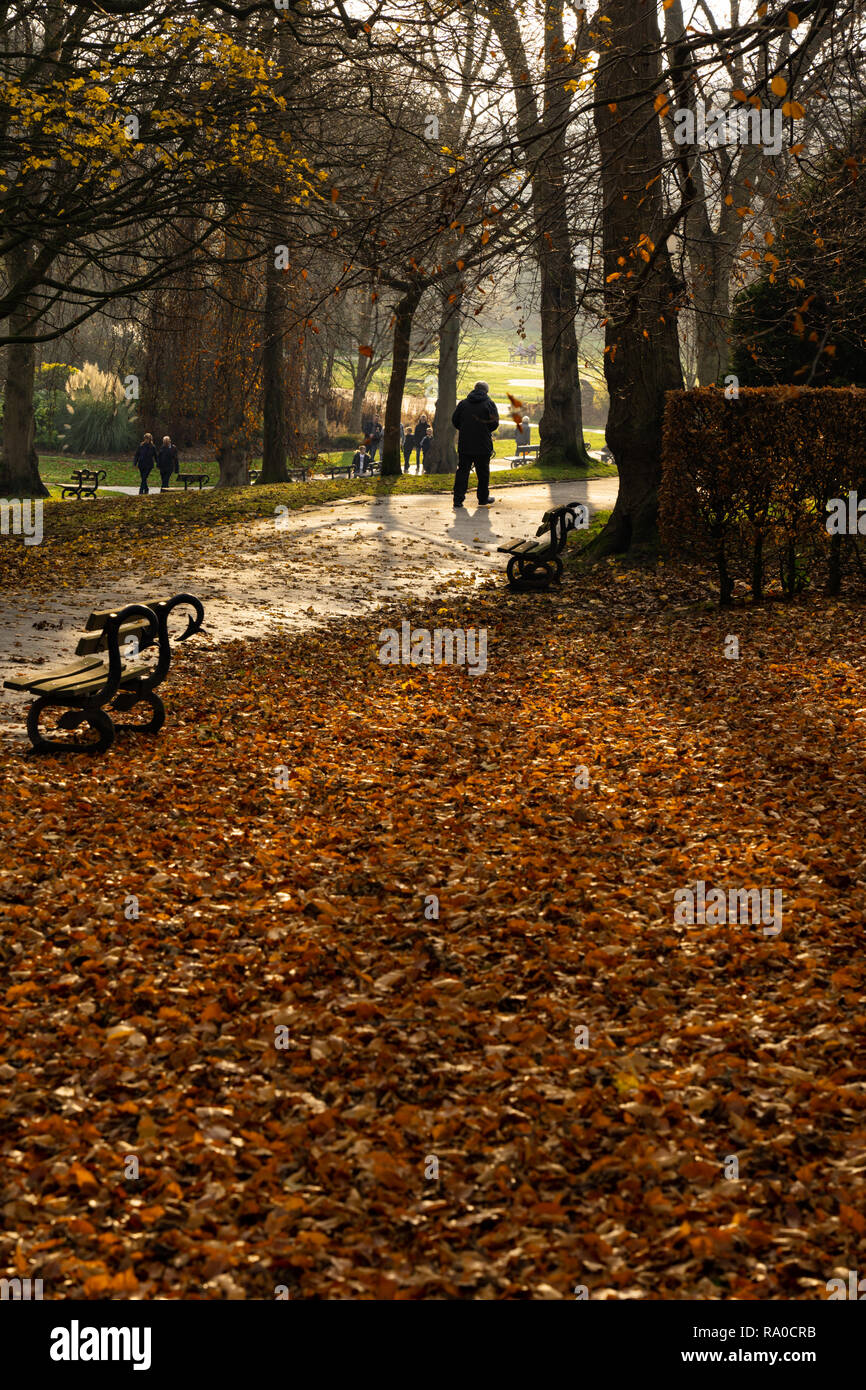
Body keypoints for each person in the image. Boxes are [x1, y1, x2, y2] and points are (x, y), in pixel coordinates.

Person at [451, 382, 499, 508]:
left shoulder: (463, 404)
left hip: (465, 444)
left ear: (474, 389)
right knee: (483, 473)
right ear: (486, 391)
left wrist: (464, 428)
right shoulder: (489, 404)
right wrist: (484, 429)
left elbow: (455, 420)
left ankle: (458, 499)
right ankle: (483, 498)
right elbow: (494, 424)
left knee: (462, 472)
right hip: (482, 444)